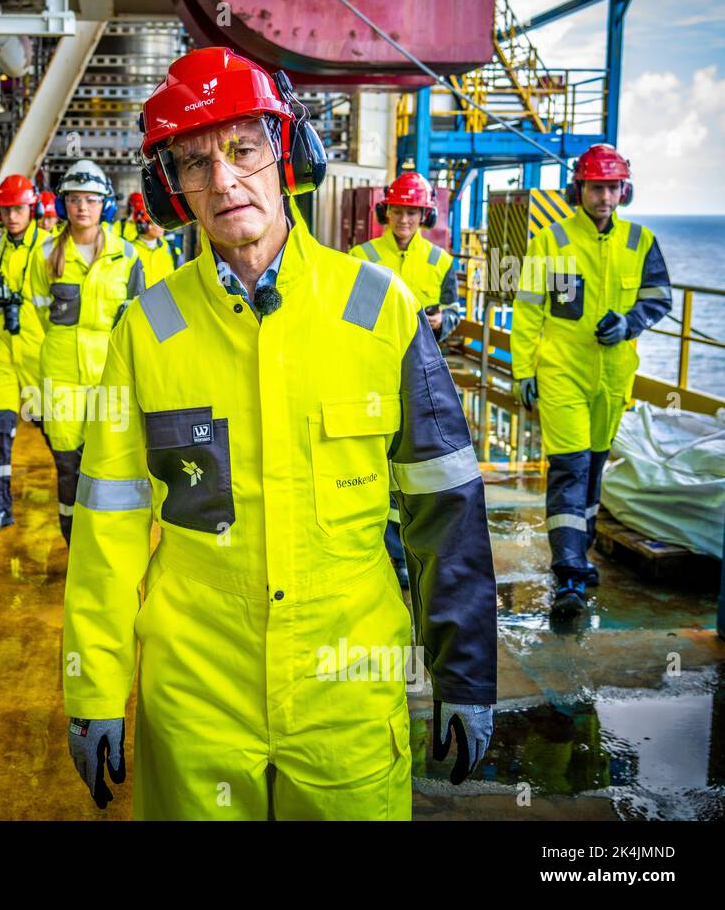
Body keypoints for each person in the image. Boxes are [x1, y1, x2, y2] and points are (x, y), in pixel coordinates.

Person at [62, 47, 497, 820]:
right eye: (194, 163)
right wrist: (93, 684)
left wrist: (465, 673)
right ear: (173, 191)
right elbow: (108, 524)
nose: (224, 181)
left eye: (243, 148)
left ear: (288, 150)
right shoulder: (146, 331)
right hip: (196, 701)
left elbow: (446, 506)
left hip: (346, 700)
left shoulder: (380, 308)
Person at [510, 143, 671, 614]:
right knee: (570, 469)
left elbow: (658, 298)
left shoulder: (641, 242)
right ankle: (569, 576)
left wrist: (629, 322)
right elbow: (528, 310)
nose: (604, 196)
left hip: (614, 379)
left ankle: (581, 552)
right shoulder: (551, 242)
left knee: (594, 471)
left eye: (613, 187)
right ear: (578, 190)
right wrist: (524, 371)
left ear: (626, 191)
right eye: (596, 187)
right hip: (562, 373)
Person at [349, 171, 463, 587]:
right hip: (374, 375)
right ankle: (388, 552)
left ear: (424, 216)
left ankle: (413, 547)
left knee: (419, 461)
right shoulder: (360, 256)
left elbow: (455, 309)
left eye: (412, 213)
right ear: (386, 212)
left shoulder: (441, 260)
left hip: (424, 378)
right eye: (398, 211)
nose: (404, 221)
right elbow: (350, 319)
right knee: (376, 460)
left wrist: (441, 320)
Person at [30, 159, 145, 544]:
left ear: (105, 206)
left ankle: (106, 539)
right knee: (67, 463)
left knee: (110, 461)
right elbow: (38, 313)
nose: (83, 207)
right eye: (75, 199)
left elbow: (134, 317)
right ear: (63, 205)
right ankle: (73, 539)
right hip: (60, 377)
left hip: (109, 376)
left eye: (91, 200)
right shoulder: (45, 253)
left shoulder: (126, 256)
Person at [0, 174, 50, 535]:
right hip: (2, 356)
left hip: (41, 357)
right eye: (6, 210)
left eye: (19, 208)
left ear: (30, 208)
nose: (13, 216)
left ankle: (76, 508)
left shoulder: (50, 247)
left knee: (61, 440)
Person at [117, 192, 181, 287]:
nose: (162, 226)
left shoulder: (169, 248)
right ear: (143, 225)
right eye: (156, 222)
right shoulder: (130, 250)